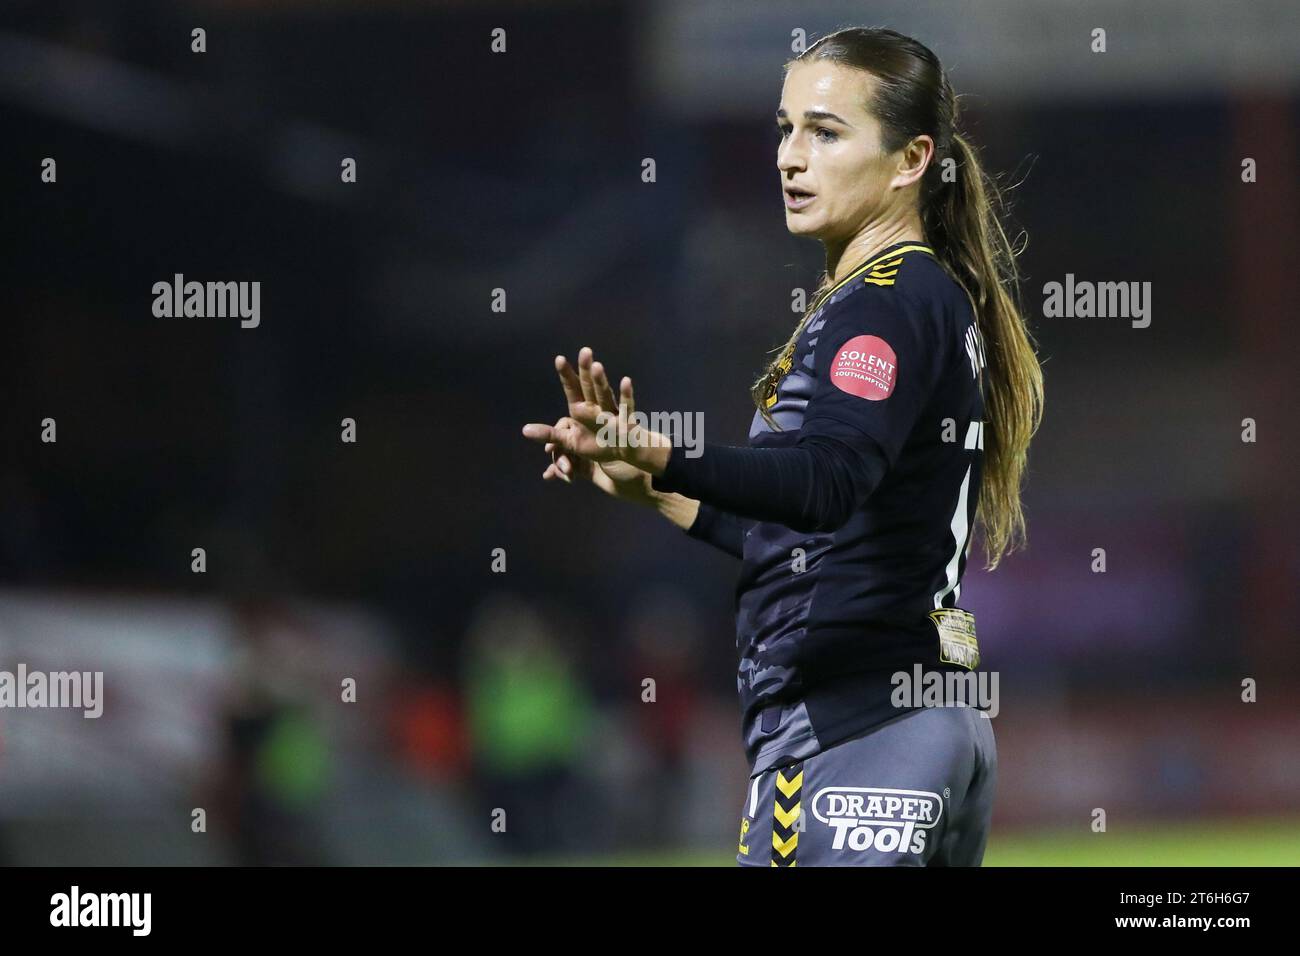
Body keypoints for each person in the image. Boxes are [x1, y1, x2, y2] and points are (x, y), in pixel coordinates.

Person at [522, 26, 1043, 866]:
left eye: (826, 133)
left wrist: (666, 454)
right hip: (922, 722)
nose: (790, 158)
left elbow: (826, 480)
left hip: (859, 732)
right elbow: (819, 540)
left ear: (911, 159)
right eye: (785, 127)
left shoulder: (887, 298)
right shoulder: (911, 296)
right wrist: (654, 489)